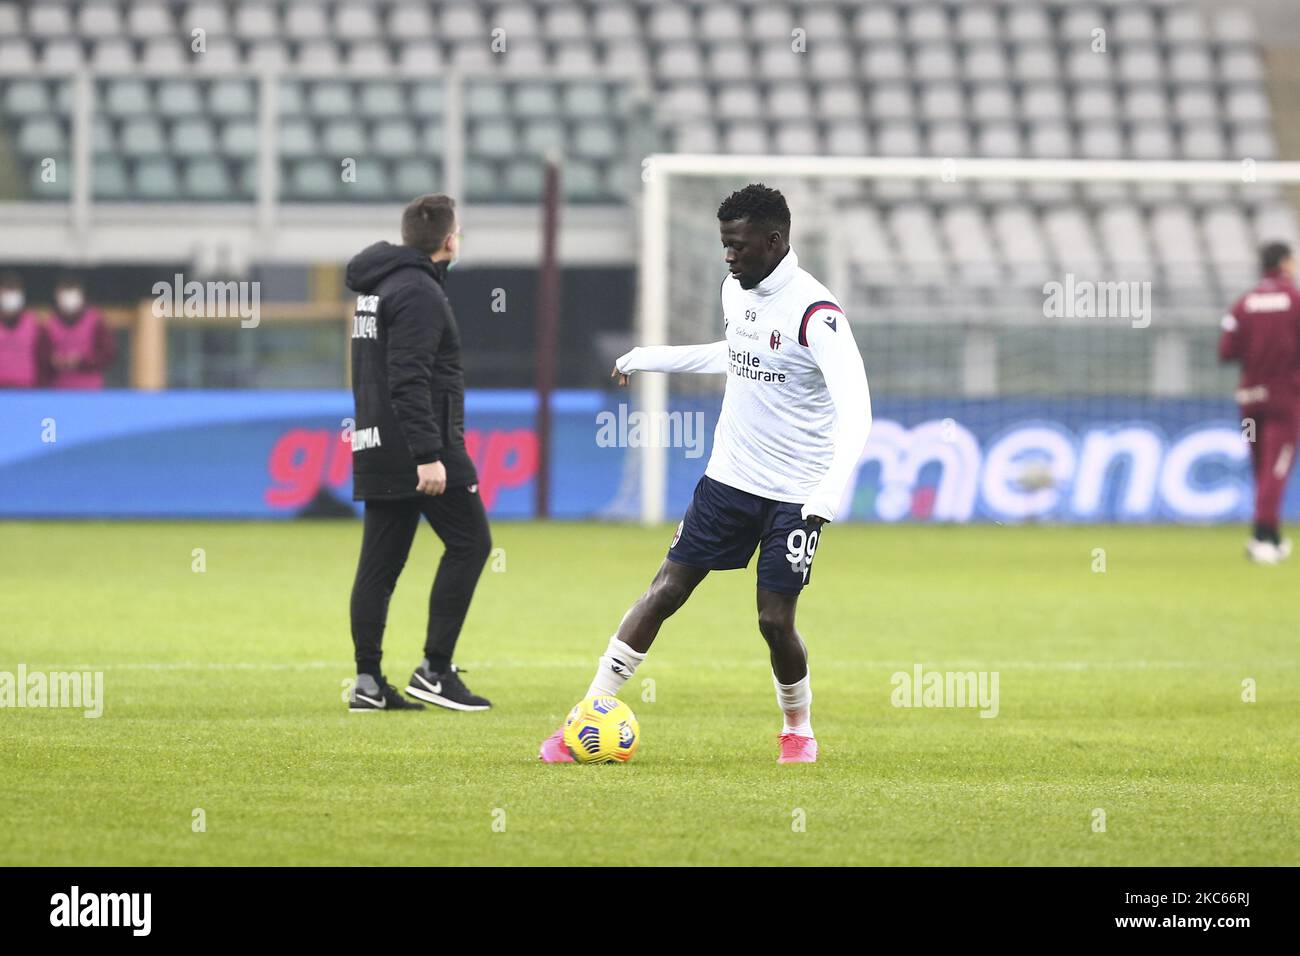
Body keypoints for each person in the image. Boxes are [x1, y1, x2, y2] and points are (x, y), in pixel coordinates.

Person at [539, 184, 872, 764]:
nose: (728, 256)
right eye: (724, 245)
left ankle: (799, 729)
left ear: (774, 241)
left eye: (738, 245)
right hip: (729, 478)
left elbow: (859, 409)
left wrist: (830, 488)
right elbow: (736, 350)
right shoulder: (735, 290)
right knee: (665, 590)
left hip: (797, 493)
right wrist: (652, 356)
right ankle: (586, 713)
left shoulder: (817, 315)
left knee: (774, 620)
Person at [344, 193, 494, 712]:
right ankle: (434, 670)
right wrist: (429, 454)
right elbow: (409, 378)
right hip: (422, 446)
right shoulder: (419, 293)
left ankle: (367, 681)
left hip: (378, 440)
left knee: (380, 564)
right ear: (449, 240)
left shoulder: (379, 285)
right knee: (471, 544)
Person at [1219, 240, 1300, 564]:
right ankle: (1260, 539)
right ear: (1283, 263)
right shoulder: (1295, 300)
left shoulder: (1244, 304)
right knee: (1276, 469)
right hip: (1283, 400)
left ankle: (1274, 537)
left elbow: (1226, 351)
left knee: (1260, 468)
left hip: (1249, 402)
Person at [44, 276, 115, 389]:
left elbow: (107, 354)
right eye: (65, 296)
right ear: (57, 297)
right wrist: (54, 362)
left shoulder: (96, 321)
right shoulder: (49, 324)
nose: (69, 301)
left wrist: (82, 361)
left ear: (82, 296)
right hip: (58, 389)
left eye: (73, 295)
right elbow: (42, 356)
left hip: (90, 389)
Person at [0, 273, 43, 389]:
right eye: (6, 295)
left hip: (26, 387)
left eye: (14, 294)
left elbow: (42, 356)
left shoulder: (33, 322)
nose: (10, 300)